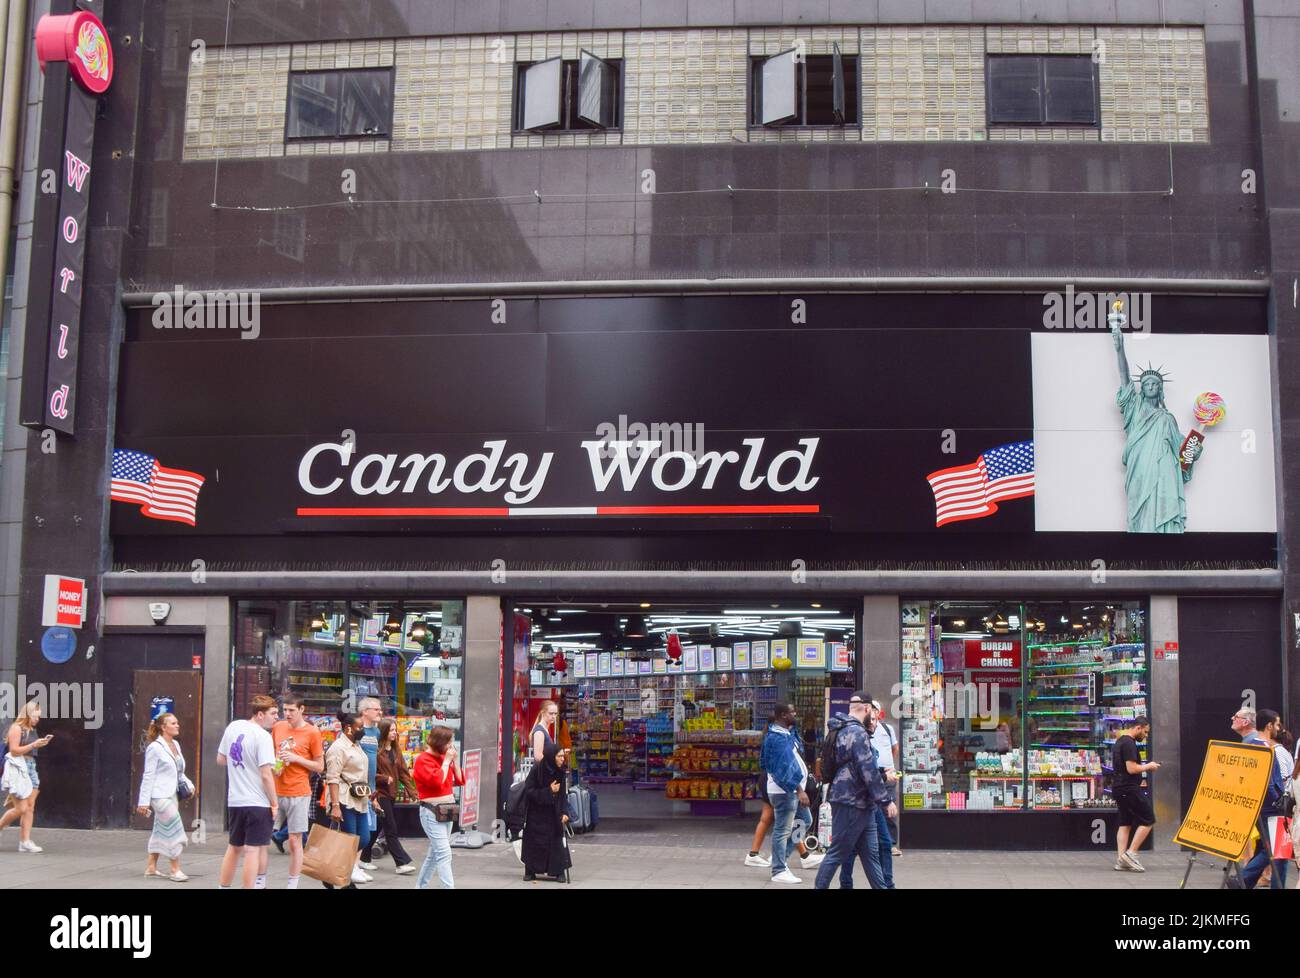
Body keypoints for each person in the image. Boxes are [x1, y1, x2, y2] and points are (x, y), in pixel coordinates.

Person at [815, 691, 898, 890]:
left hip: (860, 802)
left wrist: (879, 773)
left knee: (871, 855)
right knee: (836, 853)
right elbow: (866, 770)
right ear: (868, 709)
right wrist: (886, 800)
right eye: (874, 712)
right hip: (852, 801)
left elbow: (851, 765)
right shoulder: (858, 733)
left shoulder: (842, 730)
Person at [216, 694, 279, 889]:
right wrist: (274, 803)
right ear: (260, 714)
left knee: (234, 847)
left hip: (235, 800)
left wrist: (241, 764)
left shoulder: (233, 727)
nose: (277, 717)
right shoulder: (263, 736)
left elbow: (221, 759)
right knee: (252, 850)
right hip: (258, 802)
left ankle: (223, 886)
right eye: (273, 713)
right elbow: (266, 775)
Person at [760, 703, 822, 884]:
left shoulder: (785, 734)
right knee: (782, 830)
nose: (795, 714)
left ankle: (781, 858)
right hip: (785, 792)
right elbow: (783, 768)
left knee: (805, 821)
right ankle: (778, 870)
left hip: (789, 791)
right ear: (782, 715)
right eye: (791, 712)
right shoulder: (777, 739)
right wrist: (800, 790)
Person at [269, 697, 324, 889]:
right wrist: (277, 766)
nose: (288, 714)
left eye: (292, 710)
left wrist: (296, 758)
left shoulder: (312, 732)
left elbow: (319, 766)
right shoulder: (278, 727)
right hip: (276, 789)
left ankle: (292, 884)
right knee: (259, 839)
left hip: (299, 791)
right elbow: (273, 755)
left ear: (302, 709)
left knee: (295, 840)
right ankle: (259, 882)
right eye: (285, 709)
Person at [136, 712, 191, 881]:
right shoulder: (154, 748)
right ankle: (175, 869)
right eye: (173, 723)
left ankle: (151, 867)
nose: (177, 725)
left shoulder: (175, 744)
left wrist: (189, 785)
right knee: (174, 829)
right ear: (163, 727)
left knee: (161, 830)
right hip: (159, 796)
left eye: (177, 722)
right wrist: (143, 802)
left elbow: (179, 771)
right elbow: (148, 775)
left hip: (172, 794)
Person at [323, 711, 375, 887]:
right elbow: (332, 778)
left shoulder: (356, 745)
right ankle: (345, 882)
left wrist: (371, 799)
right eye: (359, 727)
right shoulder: (337, 748)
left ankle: (330, 871)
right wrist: (335, 805)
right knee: (349, 839)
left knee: (364, 838)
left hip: (359, 798)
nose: (362, 730)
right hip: (344, 798)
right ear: (348, 728)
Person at [1241, 709, 1289, 890]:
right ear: (1269, 726)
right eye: (1277, 724)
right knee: (1279, 851)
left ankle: (1243, 881)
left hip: (1258, 806)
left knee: (1266, 848)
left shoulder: (1251, 745)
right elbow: (1269, 782)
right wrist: (1280, 801)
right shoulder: (1265, 749)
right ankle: (1243, 879)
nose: (1279, 728)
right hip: (1271, 808)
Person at [363, 718, 417, 875]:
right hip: (379, 795)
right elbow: (369, 772)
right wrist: (384, 778)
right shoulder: (375, 750)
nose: (395, 733)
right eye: (392, 730)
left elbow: (403, 773)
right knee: (390, 828)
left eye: (396, 730)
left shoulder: (395, 749)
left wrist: (411, 791)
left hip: (392, 794)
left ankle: (363, 859)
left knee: (376, 828)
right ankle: (401, 863)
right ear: (384, 731)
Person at [413, 725, 464, 889]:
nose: (450, 746)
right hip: (431, 811)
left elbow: (461, 780)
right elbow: (436, 781)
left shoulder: (444, 758)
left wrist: (453, 762)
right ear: (440, 742)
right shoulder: (423, 760)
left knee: (435, 854)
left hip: (447, 809)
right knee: (444, 853)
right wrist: (447, 761)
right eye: (448, 742)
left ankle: (420, 886)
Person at [0, 701, 52, 853]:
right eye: (36, 716)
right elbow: (14, 750)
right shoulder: (16, 728)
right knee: (20, 808)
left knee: (30, 807)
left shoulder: (31, 729)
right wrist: (33, 745)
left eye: (39, 716)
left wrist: (39, 744)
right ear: (28, 714)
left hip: (31, 767)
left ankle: (25, 841)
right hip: (18, 768)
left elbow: (29, 750)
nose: (38, 719)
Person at [1110, 716, 1159, 873]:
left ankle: (1121, 859)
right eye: (1145, 732)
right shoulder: (1130, 744)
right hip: (1128, 788)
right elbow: (1131, 768)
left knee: (1125, 822)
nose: (1145, 736)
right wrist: (1148, 766)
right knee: (1148, 818)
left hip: (1118, 787)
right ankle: (1131, 854)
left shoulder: (1119, 741)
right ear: (1138, 727)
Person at [521, 742, 573, 883]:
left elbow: (563, 794)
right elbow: (529, 792)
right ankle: (530, 870)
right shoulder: (537, 770)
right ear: (552, 757)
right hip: (536, 813)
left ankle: (558, 870)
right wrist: (549, 791)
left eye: (563, 756)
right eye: (560, 756)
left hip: (553, 812)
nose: (563, 759)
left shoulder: (560, 772)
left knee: (556, 842)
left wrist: (564, 812)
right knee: (534, 842)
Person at [355, 697, 383, 872]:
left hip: (371, 786)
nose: (379, 712)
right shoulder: (358, 730)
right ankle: (354, 865)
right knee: (361, 829)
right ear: (365, 711)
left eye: (380, 709)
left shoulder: (377, 732)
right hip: (359, 786)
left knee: (369, 828)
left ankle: (359, 863)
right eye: (375, 709)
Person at [871, 699, 902, 858]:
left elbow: (894, 748)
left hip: (888, 777)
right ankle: (872, 844)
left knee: (889, 810)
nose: (872, 712)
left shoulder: (887, 728)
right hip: (872, 776)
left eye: (875, 709)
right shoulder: (864, 729)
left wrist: (889, 764)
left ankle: (890, 844)